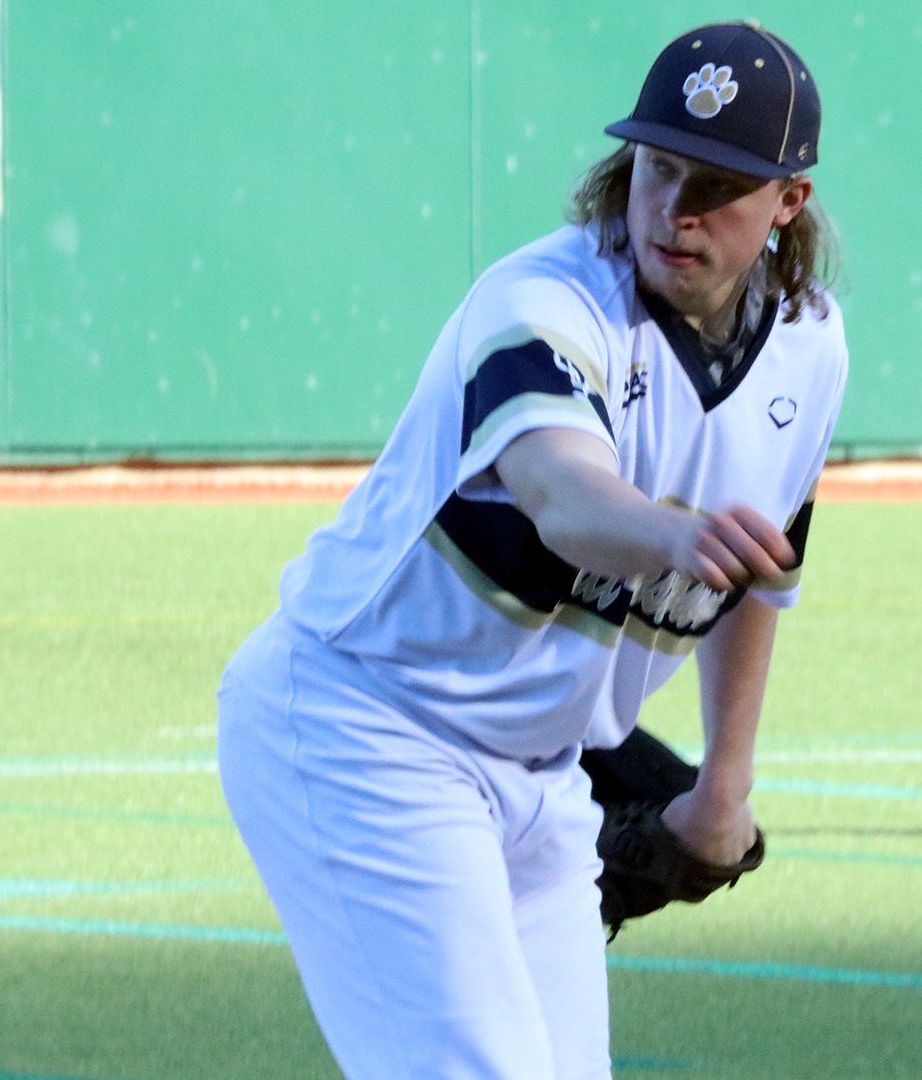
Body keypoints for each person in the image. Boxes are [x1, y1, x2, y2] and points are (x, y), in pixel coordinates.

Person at [216, 21, 846, 1080]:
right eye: (659, 167)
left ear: (789, 200)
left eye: (718, 186)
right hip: (366, 729)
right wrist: (676, 533)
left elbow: (759, 576)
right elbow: (562, 492)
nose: (675, 208)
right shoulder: (544, 302)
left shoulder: (809, 345)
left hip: (543, 776)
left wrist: (722, 791)